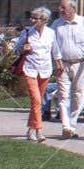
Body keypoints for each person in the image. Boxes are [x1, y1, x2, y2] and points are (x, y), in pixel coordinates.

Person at [50, 0, 84, 141]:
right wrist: (56, 62)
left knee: (77, 94)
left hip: (80, 63)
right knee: (63, 95)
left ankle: (72, 124)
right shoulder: (56, 25)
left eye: (63, 7)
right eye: (60, 7)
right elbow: (52, 46)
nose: (60, 10)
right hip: (62, 64)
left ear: (72, 9)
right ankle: (66, 127)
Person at [12, 8, 56, 143]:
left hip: (45, 70)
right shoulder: (27, 33)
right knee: (36, 101)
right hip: (30, 69)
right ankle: (39, 130)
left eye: (35, 18)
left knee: (36, 103)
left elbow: (56, 51)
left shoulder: (51, 33)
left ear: (43, 20)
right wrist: (22, 48)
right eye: (31, 18)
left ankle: (31, 130)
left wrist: (59, 65)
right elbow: (15, 49)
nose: (32, 20)